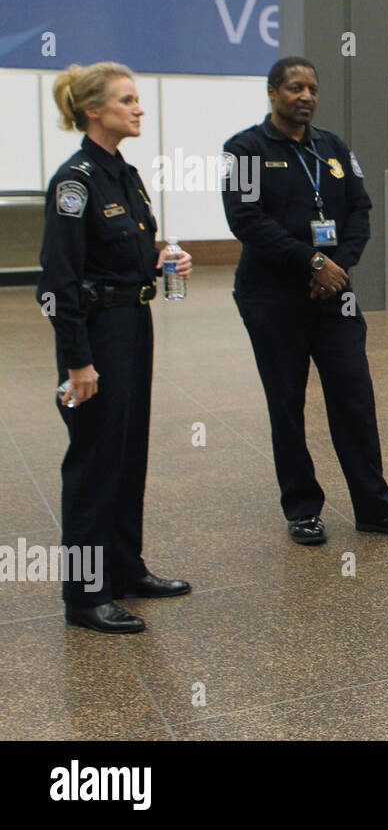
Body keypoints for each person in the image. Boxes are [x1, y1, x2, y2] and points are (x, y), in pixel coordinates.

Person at [221, 57, 388, 545]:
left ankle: (375, 507)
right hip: (272, 299)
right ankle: (302, 509)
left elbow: (360, 208)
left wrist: (338, 267)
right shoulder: (245, 150)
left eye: (312, 88)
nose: (306, 96)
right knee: (287, 403)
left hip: (332, 297)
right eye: (295, 87)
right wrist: (311, 263)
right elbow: (245, 221)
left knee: (354, 398)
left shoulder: (331, 148)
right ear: (272, 93)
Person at [38, 62, 193, 634]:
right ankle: (84, 595)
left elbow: (123, 252)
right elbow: (58, 282)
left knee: (128, 452)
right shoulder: (75, 182)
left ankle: (125, 567)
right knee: (93, 461)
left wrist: (161, 261)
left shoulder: (123, 175)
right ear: (92, 111)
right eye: (126, 100)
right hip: (95, 335)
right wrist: (77, 360)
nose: (138, 108)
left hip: (133, 324)